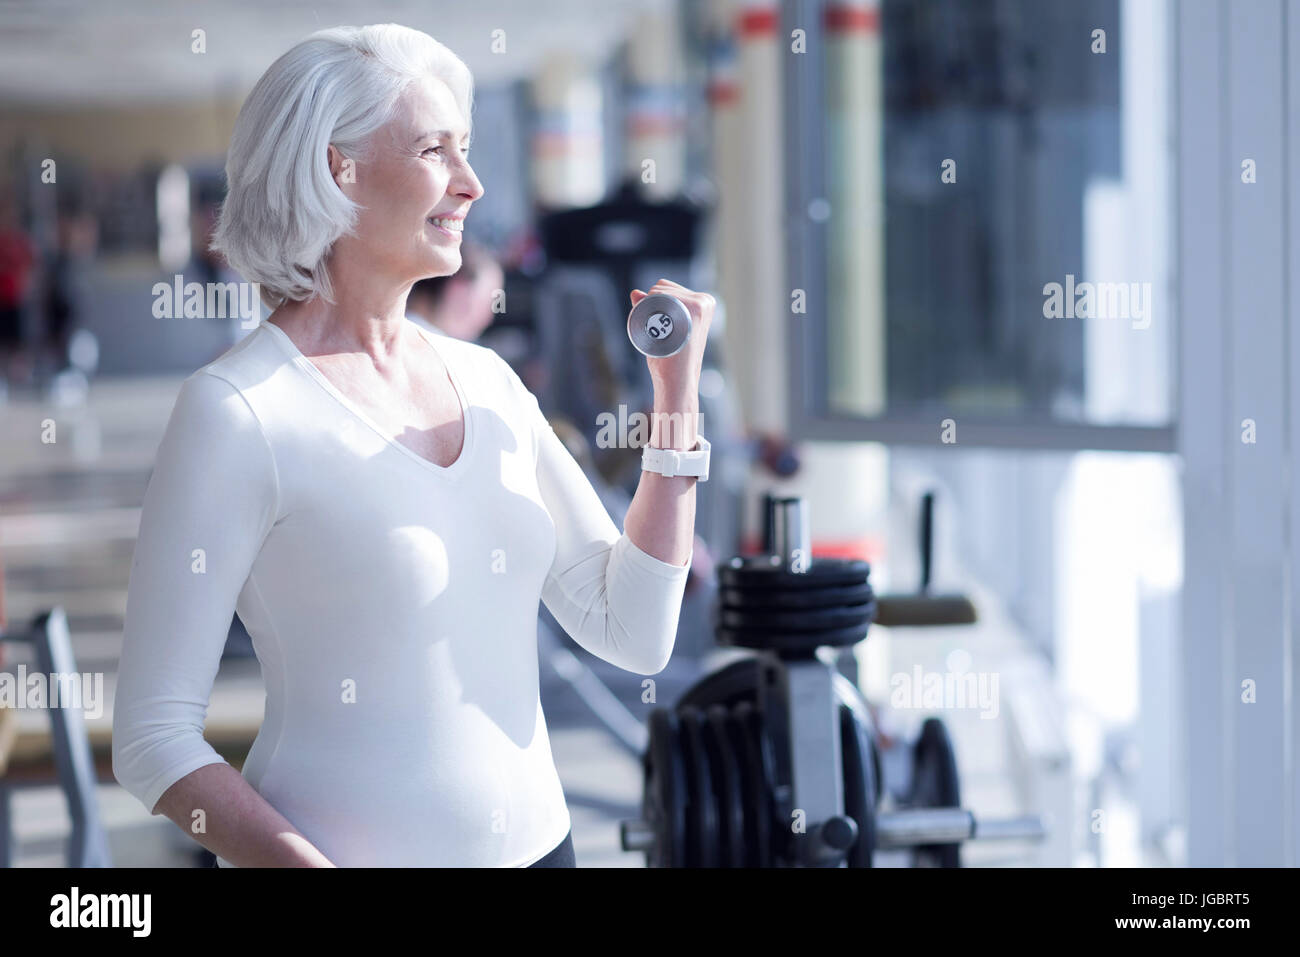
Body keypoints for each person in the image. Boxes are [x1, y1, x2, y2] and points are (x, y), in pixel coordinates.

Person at [110, 23, 713, 868]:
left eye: (466, 150)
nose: (470, 183)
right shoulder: (237, 410)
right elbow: (151, 739)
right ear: (336, 169)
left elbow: (634, 629)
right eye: (436, 151)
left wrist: (675, 396)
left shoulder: (490, 381)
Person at [404, 237, 503, 342]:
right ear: (457, 290)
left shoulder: (394, 331)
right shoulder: (440, 351)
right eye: (486, 304)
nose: (488, 319)